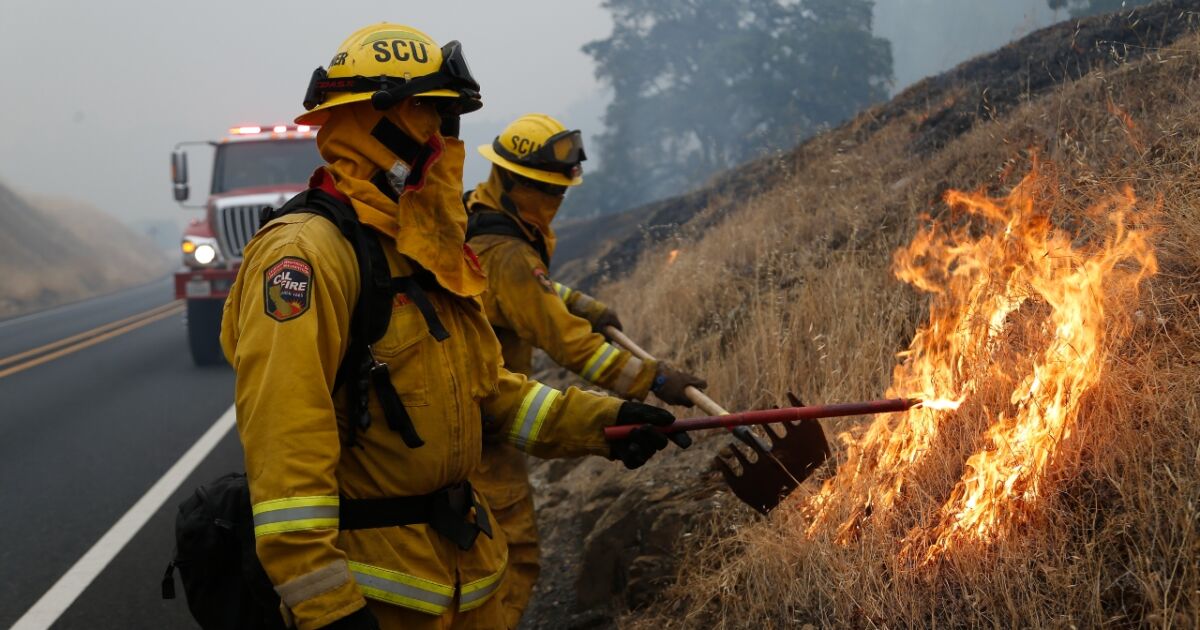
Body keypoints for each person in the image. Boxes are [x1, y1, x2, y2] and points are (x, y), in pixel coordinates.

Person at [220, 24, 688, 630]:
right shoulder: (308, 257)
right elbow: (285, 452)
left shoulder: (420, 248)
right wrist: (326, 605)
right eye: (431, 118)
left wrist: (601, 424)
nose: (444, 141)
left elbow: (484, 390)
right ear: (374, 121)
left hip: (467, 578)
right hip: (382, 602)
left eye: (448, 122)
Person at [464, 113, 707, 628]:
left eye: (560, 191)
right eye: (546, 191)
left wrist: (582, 304)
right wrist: (655, 379)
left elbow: (530, 295)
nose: (556, 202)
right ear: (512, 181)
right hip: (483, 421)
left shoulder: (478, 216)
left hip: (472, 411)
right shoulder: (505, 249)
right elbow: (571, 346)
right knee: (512, 554)